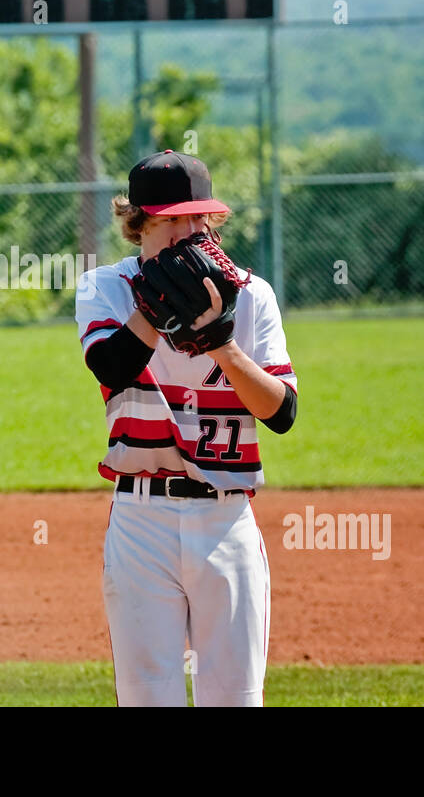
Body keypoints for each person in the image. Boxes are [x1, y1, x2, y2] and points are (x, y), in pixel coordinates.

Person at [75, 150, 298, 707]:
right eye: (176, 217)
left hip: (226, 519)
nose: (193, 229)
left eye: (200, 217)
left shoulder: (250, 296)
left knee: (235, 700)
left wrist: (221, 343)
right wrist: (154, 310)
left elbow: (282, 413)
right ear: (141, 221)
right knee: (148, 699)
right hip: (141, 521)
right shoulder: (105, 289)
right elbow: (111, 367)